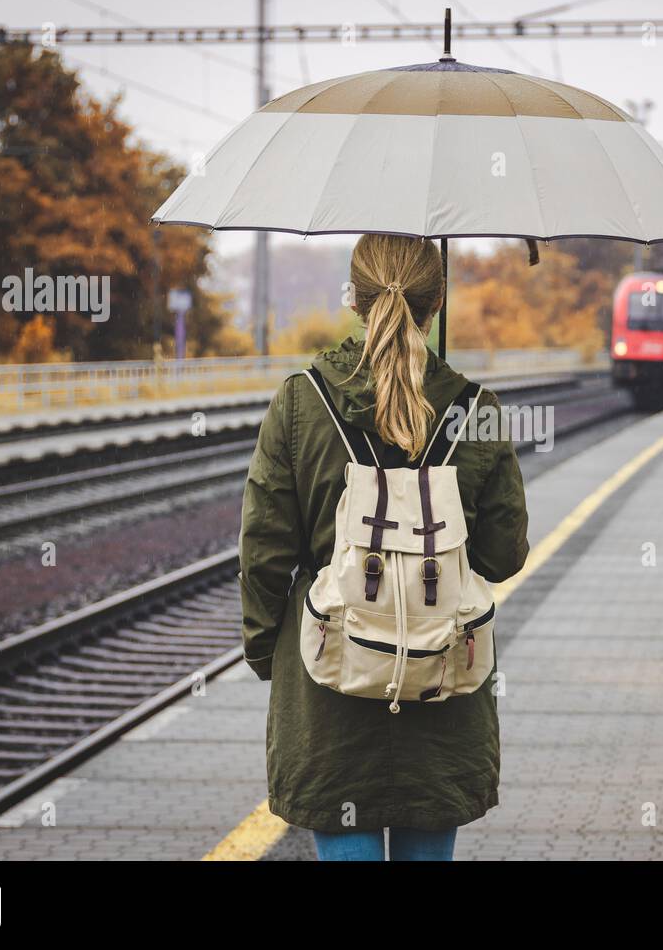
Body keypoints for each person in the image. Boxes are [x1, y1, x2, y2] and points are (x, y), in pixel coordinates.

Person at [238, 233, 530, 861]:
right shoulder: (476, 411)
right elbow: (504, 556)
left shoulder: (300, 401)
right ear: (438, 302)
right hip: (443, 685)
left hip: (327, 685)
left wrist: (270, 655)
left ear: (355, 298)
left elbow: (263, 553)